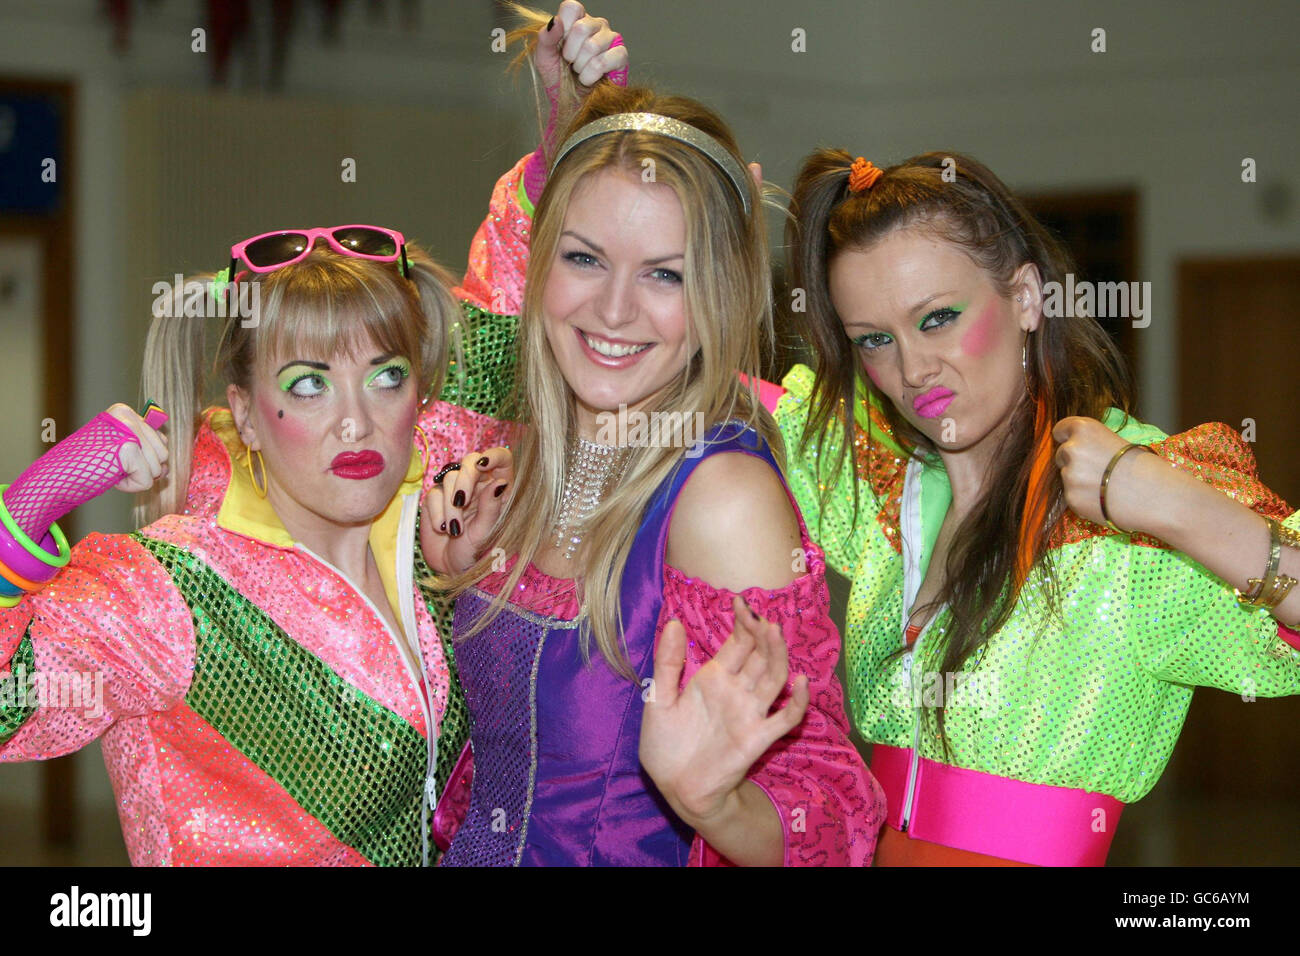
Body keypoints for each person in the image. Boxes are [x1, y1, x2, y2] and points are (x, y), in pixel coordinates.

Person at [0, 3, 628, 866]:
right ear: (247, 412)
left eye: (386, 375)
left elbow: (520, 316)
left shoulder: (423, 501)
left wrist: (569, 137)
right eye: (307, 383)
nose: (355, 417)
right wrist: (31, 507)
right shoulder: (170, 591)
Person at [763, 149, 1300, 865]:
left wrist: (1180, 509)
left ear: (1024, 297)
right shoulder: (880, 479)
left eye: (939, 318)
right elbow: (664, 378)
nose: (913, 370)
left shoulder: (1126, 528)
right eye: (875, 341)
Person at [427, 38, 885, 865]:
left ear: (718, 288)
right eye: (583, 258)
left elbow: (834, 820)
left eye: (664, 275)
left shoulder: (722, 495)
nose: (612, 309)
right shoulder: (531, 465)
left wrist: (713, 801)